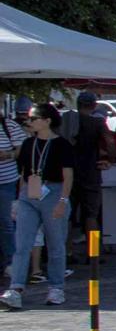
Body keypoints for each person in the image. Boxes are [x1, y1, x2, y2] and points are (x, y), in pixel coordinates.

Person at [2, 104, 74, 309]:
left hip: (54, 192)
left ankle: (56, 287)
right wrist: (19, 200)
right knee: (22, 243)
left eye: (33, 118)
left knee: (55, 243)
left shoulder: (62, 145)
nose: (29, 122)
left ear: (47, 121)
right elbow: (23, 173)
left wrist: (63, 201)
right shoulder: (28, 143)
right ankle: (15, 288)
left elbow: (68, 175)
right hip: (30, 193)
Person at [65, 89, 116, 253]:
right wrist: (111, 160)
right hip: (90, 173)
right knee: (91, 216)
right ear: (94, 106)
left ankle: (67, 252)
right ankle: (93, 253)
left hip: (68, 172)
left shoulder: (66, 121)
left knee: (67, 216)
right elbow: (110, 142)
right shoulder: (97, 123)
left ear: (78, 104)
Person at [0, 101, 26, 294]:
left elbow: (22, 149)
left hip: (6, 181)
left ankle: (10, 262)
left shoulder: (9, 126)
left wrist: (7, 155)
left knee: (5, 222)